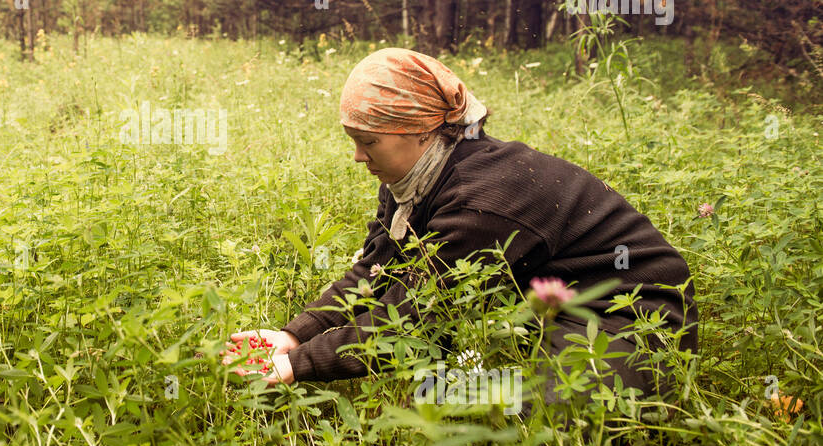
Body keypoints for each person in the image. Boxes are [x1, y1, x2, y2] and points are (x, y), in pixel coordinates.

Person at [222, 47, 698, 410]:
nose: (358, 157)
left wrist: (294, 368)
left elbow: (416, 318)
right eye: (353, 141)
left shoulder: (482, 198)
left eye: (368, 142)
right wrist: (294, 334)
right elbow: (378, 268)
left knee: (546, 432)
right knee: (466, 398)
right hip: (554, 310)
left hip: (634, 318)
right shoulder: (417, 176)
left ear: (422, 131)